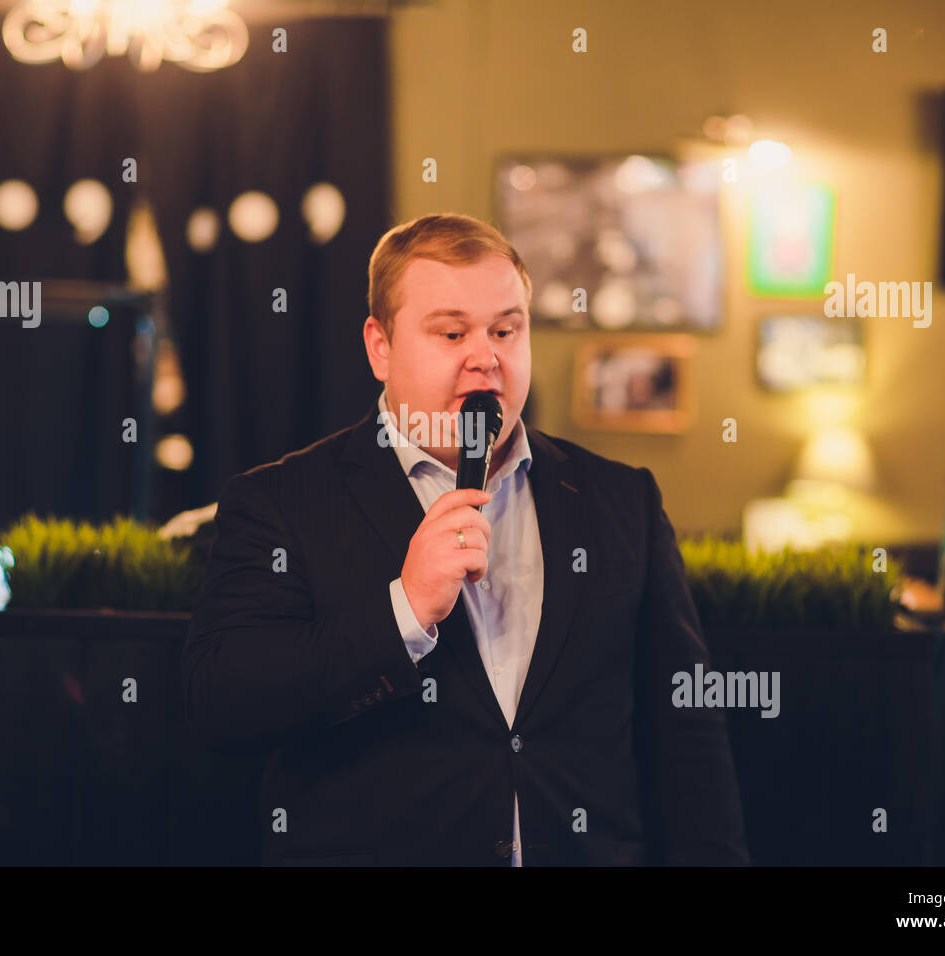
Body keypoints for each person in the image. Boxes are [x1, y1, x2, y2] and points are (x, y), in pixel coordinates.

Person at [182, 213, 749, 866]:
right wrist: (406, 611)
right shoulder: (279, 502)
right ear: (380, 347)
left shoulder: (621, 500)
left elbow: (688, 732)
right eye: (451, 332)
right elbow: (221, 704)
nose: (486, 356)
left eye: (506, 329)